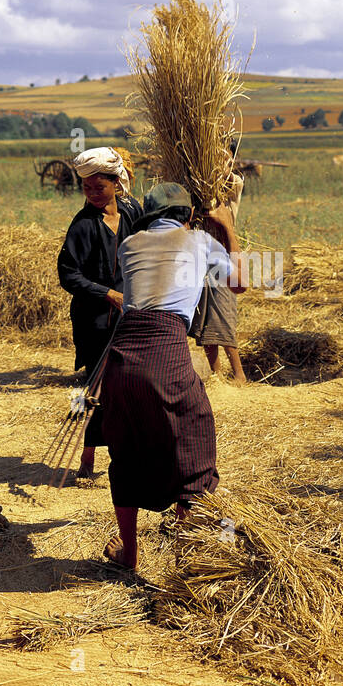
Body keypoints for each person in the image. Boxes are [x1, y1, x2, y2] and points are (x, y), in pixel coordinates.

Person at [98, 182, 249, 571]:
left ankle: (129, 555)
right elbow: (240, 283)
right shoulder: (198, 240)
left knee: (127, 450)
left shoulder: (129, 243)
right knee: (193, 437)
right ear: (188, 216)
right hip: (165, 347)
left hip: (121, 356)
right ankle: (184, 558)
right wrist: (227, 227)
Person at [56, 147, 143, 480]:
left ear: (116, 183)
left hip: (130, 316)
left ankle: (126, 455)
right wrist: (107, 293)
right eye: (86, 188)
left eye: (99, 187)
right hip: (94, 322)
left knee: (129, 387)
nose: (93, 193)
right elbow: (69, 275)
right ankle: (87, 457)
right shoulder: (82, 226)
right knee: (93, 390)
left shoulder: (133, 212)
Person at [190, 173, 247, 384]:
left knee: (223, 312)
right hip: (199, 255)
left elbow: (236, 181)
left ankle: (239, 374)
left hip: (223, 255)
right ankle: (217, 375)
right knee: (204, 316)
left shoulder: (230, 190)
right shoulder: (195, 187)